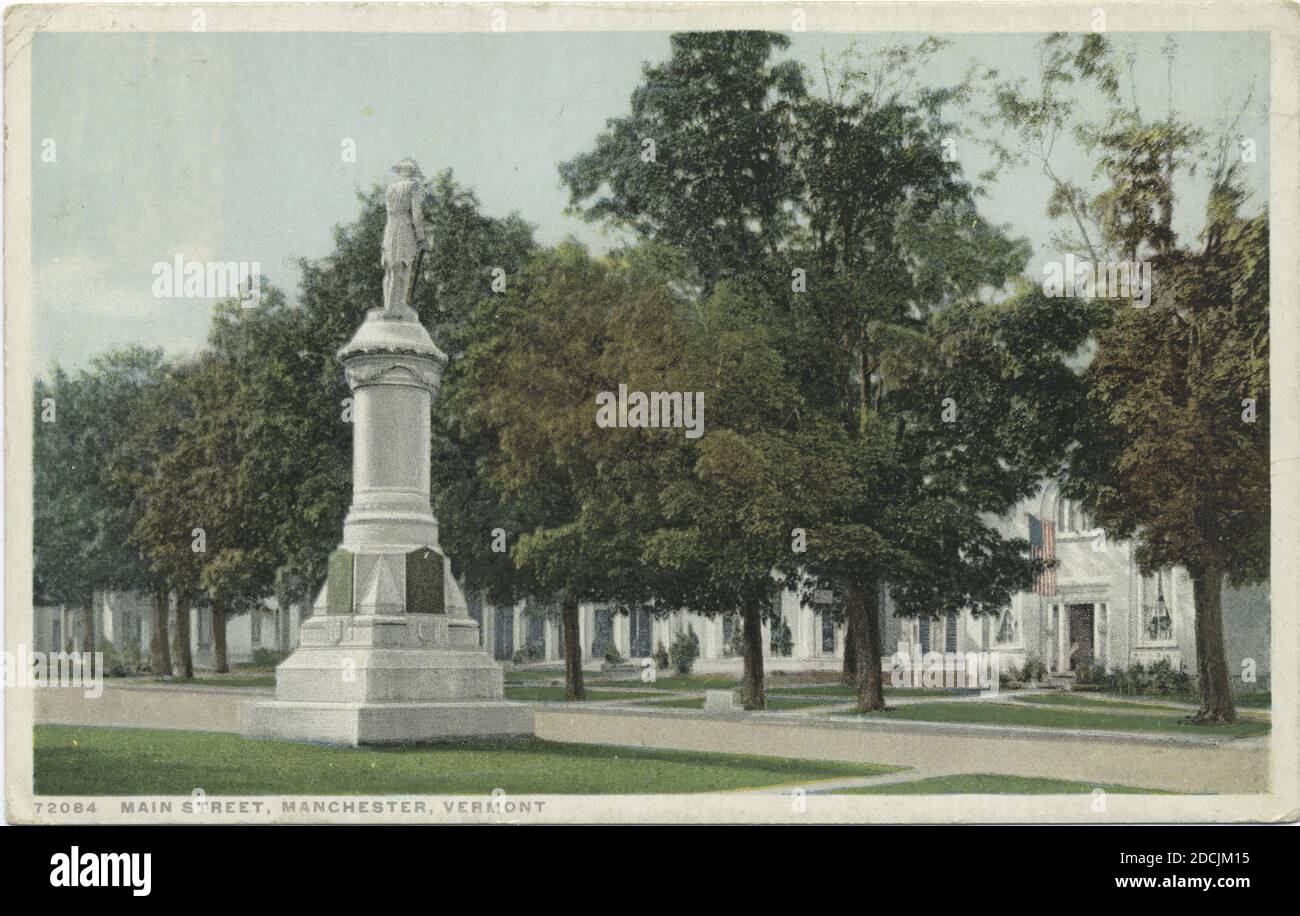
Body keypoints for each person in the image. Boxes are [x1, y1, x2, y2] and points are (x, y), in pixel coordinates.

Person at [380, 159, 427, 316]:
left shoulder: (391, 188)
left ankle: (389, 306)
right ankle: (398, 307)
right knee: (402, 268)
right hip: (404, 228)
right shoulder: (412, 186)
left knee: (390, 269)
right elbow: (416, 213)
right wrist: (421, 237)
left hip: (390, 227)